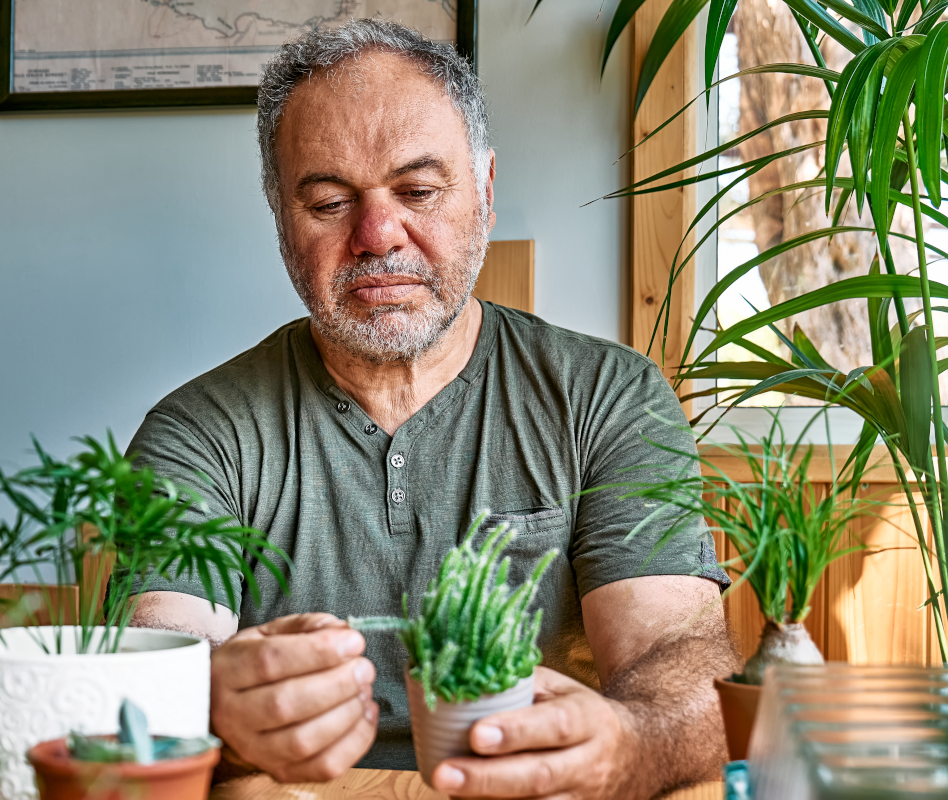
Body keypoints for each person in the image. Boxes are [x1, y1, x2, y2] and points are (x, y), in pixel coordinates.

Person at [123, 18, 738, 799]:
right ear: (281, 217)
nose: (378, 235)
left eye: (417, 191)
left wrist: (626, 744)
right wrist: (211, 703)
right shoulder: (198, 433)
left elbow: (681, 659)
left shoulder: (606, 397)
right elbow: (153, 670)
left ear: (483, 190)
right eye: (329, 201)